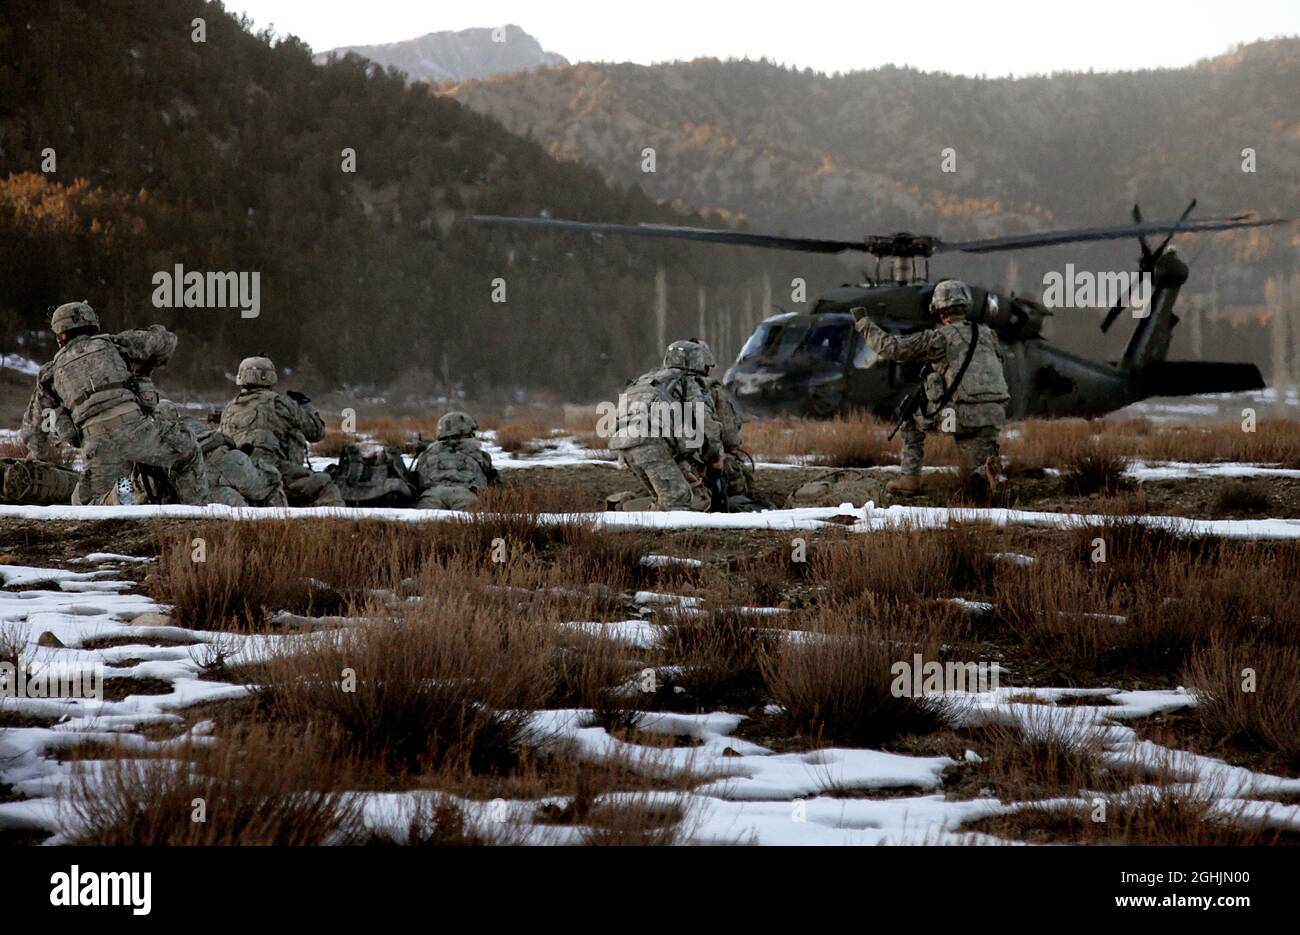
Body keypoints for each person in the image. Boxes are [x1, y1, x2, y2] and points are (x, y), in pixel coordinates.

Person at [28, 301, 209, 505]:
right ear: (93, 322)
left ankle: (117, 501)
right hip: (137, 431)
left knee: (85, 503)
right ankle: (195, 514)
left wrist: (39, 455)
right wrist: (144, 366)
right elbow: (166, 342)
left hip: (95, 444)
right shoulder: (116, 345)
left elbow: (34, 431)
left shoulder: (48, 374)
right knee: (188, 454)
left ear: (60, 334)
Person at [853, 280, 1009, 495]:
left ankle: (910, 479)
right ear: (966, 305)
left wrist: (864, 323)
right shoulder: (988, 335)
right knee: (976, 474)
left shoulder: (938, 338)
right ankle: (990, 474)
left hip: (959, 418)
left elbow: (892, 348)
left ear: (938, 310)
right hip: (994, 415)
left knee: (909, 418)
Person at [607, 339, 721, 511]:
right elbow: (705, 422)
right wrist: (715, 456)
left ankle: (625, 508)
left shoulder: (645, 380)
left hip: (623, 443)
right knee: (678, 500)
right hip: (649, 444)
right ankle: (625, 513)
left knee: (664, 496)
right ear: (696, 361)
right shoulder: (687, 382)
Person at [219, 356, 343, 507]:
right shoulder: (281, 403)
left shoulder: (229, 407)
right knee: (324, 485)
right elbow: (316, 432)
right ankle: (331, 527)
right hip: (273, 473)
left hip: (238, 476)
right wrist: (305, 405)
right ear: (270, 377)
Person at [696, 341, 762, 508]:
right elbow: (729, 435)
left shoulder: (665, 388)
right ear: (704, 367)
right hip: (705, 459)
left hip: (672, 461)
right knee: (734, 469)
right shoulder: (710, 390)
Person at [412, 411, 497, 509]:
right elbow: (494, 482)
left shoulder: (427, 453)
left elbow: (417, 478)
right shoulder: (479, 453)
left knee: (423, 522)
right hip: (466, 495)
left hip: (431, 495)